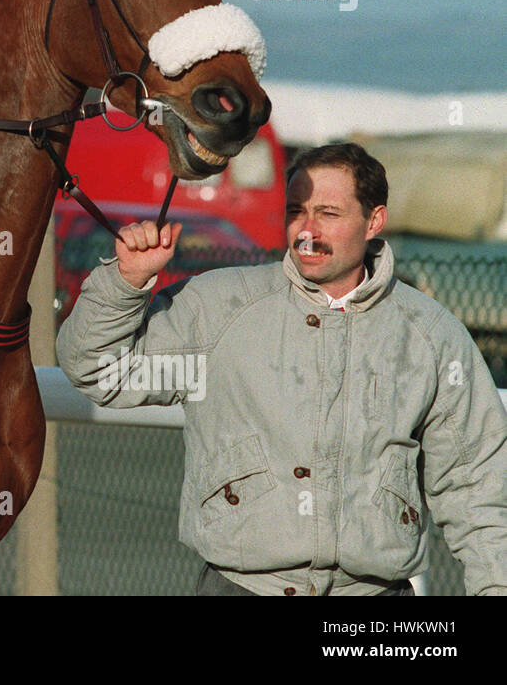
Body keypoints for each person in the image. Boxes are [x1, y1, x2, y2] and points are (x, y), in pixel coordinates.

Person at [56, 142, 507, 595]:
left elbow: (479, 490)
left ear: (374, 221)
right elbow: (98, 371)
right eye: (297, 211)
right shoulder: (218, 308)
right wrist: (124, 282)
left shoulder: (433, 335)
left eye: (328, 213)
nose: (307, 231)